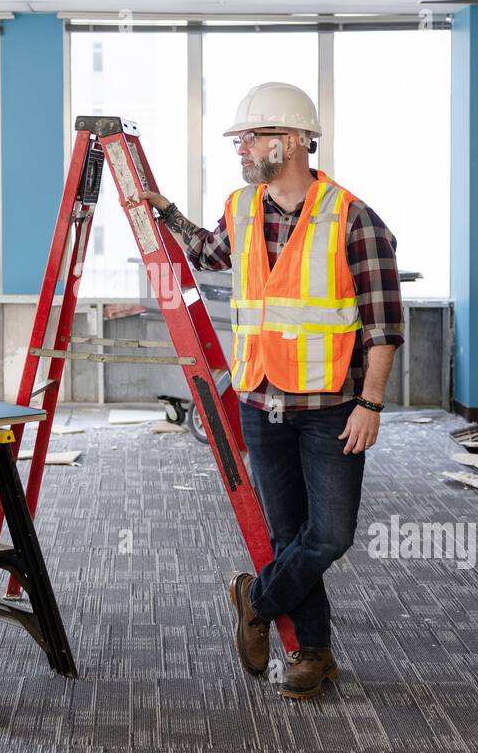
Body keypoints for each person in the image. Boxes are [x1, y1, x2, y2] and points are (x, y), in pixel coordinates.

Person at [141, 82, 403, 698]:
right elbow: (209, 254)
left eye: (249, 137)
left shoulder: (353, 218)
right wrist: (169, 213)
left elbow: (385, 327)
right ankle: (312, 652)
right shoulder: (241, 206)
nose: (240, 148)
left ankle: (253, 600)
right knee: (286, 535)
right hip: (260, 398)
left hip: (331, 405)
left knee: (331, 534)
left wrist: (371, 403)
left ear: (290, 141)